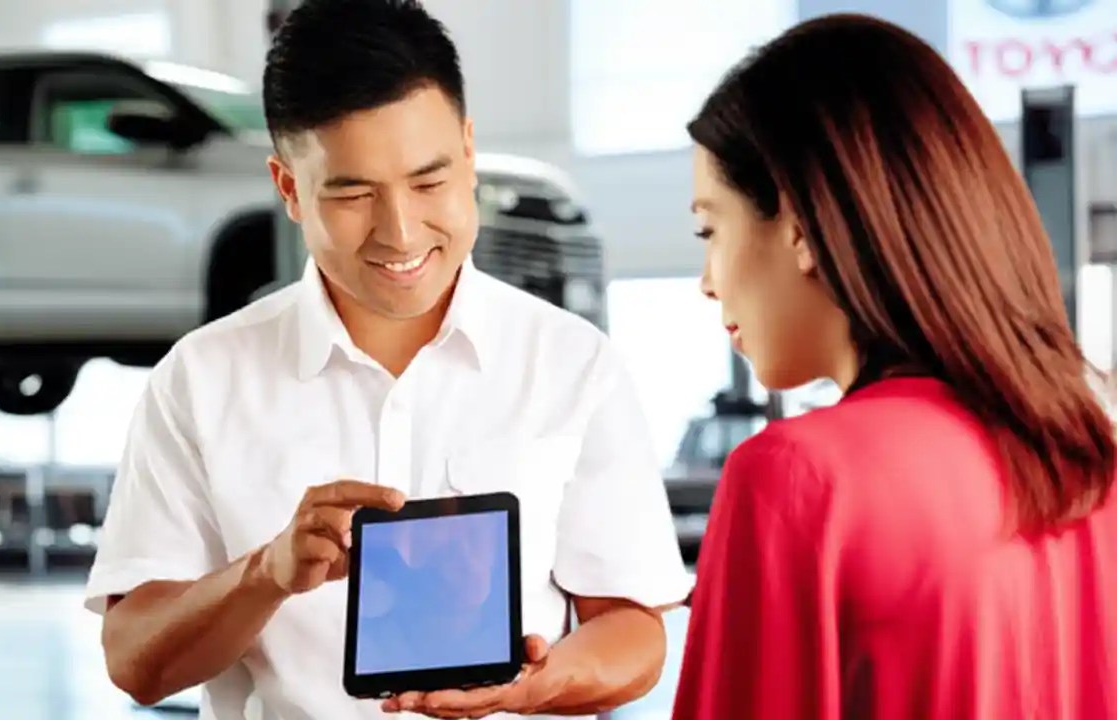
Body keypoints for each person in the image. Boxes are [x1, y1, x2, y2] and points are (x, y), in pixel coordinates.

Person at [86, 0, 692, 718]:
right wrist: (266, 573)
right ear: (289, 189)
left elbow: (632, 631)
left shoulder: (572, 363)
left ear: (468, 151)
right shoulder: (202, 379)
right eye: (353, 193)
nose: (400, 232)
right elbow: (135, 663)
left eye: (429, 182)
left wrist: (534, 685)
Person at [672, 13, 1117, 720]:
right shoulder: (1086, 459)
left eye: (710, 229)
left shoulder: (796, 477)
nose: (708, 279)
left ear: (798, 227)